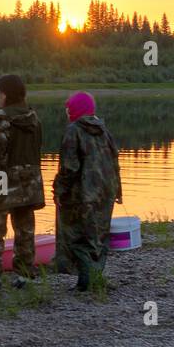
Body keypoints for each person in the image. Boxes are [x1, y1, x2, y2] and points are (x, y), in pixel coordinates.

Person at [0, 74, 45, 290]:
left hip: (3, 177)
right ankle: (25, 275)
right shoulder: (33, 117)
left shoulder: (1, 119)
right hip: (29, 180)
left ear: (4, 95)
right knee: (25, 228)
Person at [53, 92, 123, 292]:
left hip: (81, 195)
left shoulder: (73, 131)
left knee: (76, 236)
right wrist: (118, 189)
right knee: (98, 236)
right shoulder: (104, 130)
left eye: (68, 107)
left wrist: (59, 190)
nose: (66, 111)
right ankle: (94, 278)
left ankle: (87, 281)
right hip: (105, 192)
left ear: (75, 109)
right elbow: (115, 161)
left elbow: (69, 168)